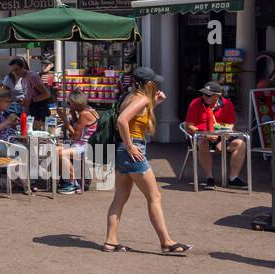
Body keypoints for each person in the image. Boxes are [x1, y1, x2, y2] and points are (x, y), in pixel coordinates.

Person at [103, 67, 191, 255]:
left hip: (123, 151)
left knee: (120, 198)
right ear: (148, 84)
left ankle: (110, 241)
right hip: (133, 150)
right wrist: (129, 145)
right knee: (155, 197)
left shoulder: (131, 97)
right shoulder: (141, 99)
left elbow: (134, 117)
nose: (156, 84)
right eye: (154, 81)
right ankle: (166, 242)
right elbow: (122, 120)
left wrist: (155, 103)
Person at [183, 81, 248, 187]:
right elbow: (189, 126)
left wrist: (223, 139)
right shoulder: (196, 103)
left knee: (241, 143)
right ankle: (210, 178)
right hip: (201, 135)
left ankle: (233, 178)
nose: (204, 96)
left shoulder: (227, 104)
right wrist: (203, 134)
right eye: (203, 93)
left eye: (207, 95)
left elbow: (231, 125)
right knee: (203, 142)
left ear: (217, 96)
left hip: (221, 136)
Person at [56, 90, 98, 193]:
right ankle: (67, 180)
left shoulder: (85, 114)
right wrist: (73, 113)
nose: (69, 104)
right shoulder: (89, 110)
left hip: (85, 146)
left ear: (75, 103)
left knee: (60, 153)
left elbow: (75, 135)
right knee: (55, 150)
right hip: (84, 144)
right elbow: (78, 127)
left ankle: (72, 183)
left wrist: (65, 120)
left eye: (70, 102)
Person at [2, 58, 50, 122]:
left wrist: (31, 100)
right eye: (13, 71)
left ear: (23, 67)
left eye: (17, 69)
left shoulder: (32, 76)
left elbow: (46, 94)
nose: (15, 72)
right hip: (32, 109)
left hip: (39, 109)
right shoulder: (23, 78)